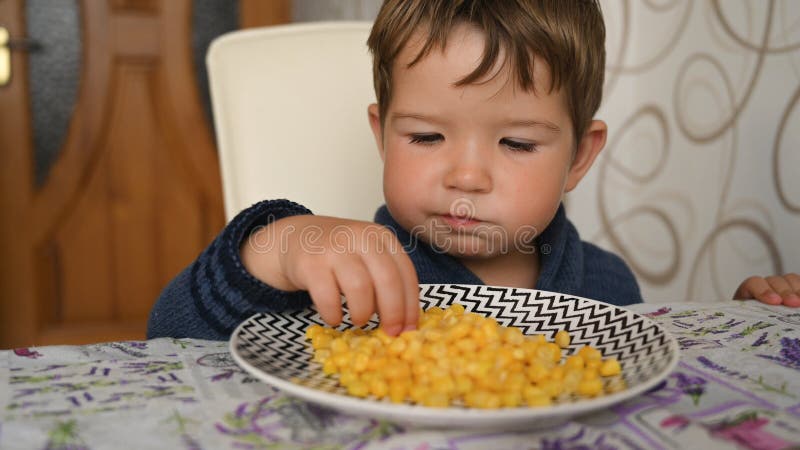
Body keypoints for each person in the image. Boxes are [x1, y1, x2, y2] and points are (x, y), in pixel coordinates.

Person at [148, 0, 799, 341]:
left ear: (578, 157)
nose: (466, 177)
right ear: (382, 136)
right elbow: (169, 336)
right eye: (426, 136)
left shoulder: (609, 288)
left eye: (516, 144)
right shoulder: (339, 283)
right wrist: (279, 244)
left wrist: (734, 333)